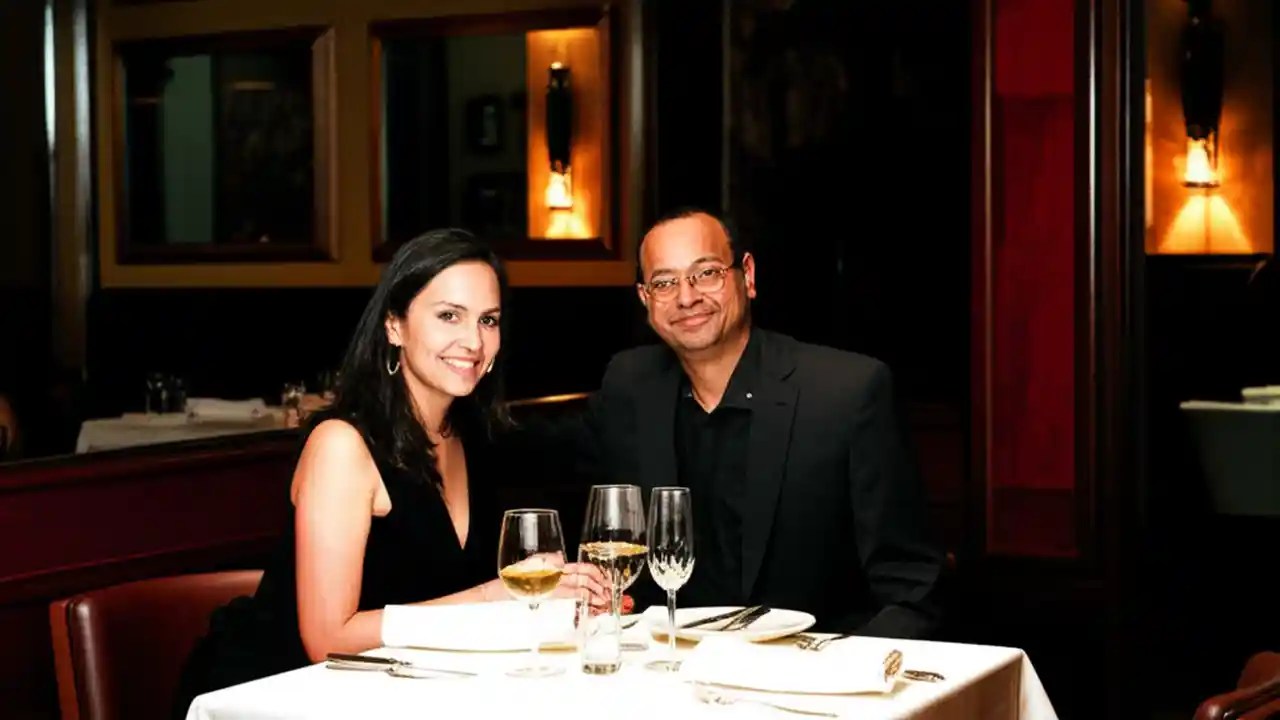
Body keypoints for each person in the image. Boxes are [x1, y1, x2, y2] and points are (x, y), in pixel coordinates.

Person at [173, 229, 608, 716]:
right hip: (286, 694)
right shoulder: (343, 445)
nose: (473, 341)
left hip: (401, 695)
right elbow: (327, 639)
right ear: (394, 326)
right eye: (449, 316)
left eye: (488, 320)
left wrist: (551, 594)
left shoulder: (470, 437)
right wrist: (495, 596)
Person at [561, 209, 944, 638]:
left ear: (747, 274)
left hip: (808, 679)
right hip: (666, 676)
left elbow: (913, 588)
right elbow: (547, 470)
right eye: (665, 283)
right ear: (645, 299)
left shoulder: (846, 393)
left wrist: (842, 678)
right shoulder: (631, 386)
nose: (686, 298)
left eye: (705, 273)